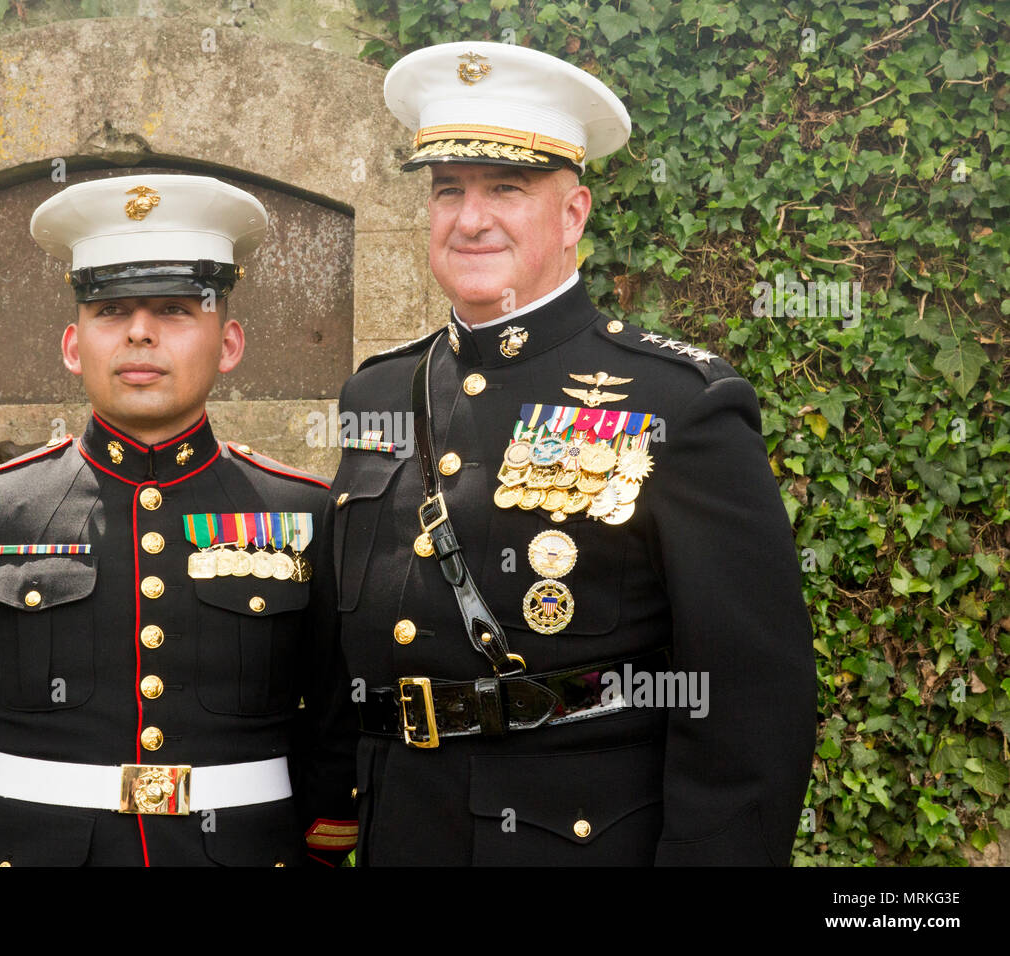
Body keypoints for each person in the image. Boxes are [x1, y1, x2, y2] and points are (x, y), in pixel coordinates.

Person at [329, 41, 816, 865]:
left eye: (507, 190)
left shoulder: (678, 403)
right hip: (400, 833)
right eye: (449, 192)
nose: (470, 218)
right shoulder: (376, 395)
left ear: (574, 215)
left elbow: (751, 706)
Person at [0, 174, 357, 867]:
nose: (140, 332)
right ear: (74, 345)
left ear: (228, 344)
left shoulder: (304, 512)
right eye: (110, 311)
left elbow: (337, 714)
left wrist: (314, 845)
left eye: (173, 310)